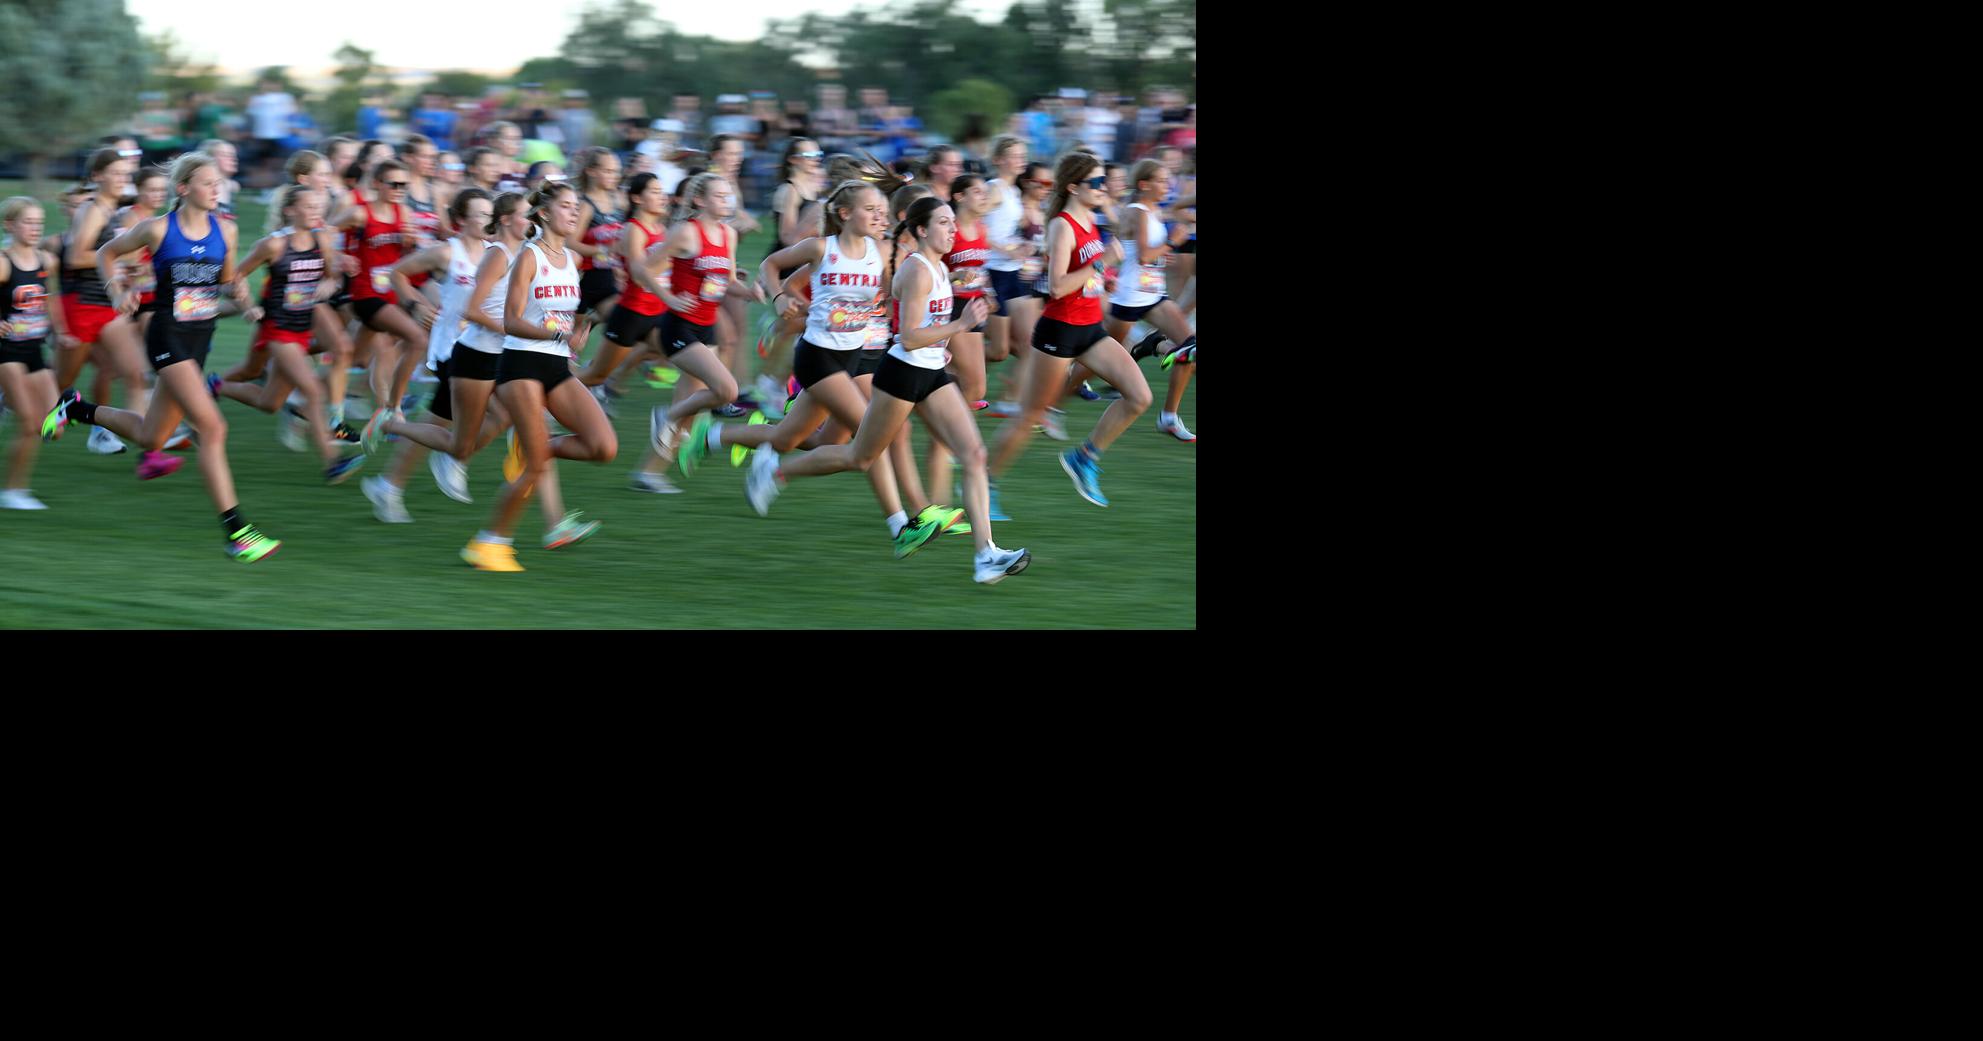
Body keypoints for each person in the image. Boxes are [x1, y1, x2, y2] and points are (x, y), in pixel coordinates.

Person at [742, 196, 1030, 585]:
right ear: (922, 230)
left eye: (952, 223)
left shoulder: (940, 268)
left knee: (975, 454)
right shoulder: (916, 270)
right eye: (944, 223)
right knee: (860, 457)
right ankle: (778, 472)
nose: (953, 230)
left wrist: (965, 321)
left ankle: (986, 555)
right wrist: (960, 327)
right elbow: (909, 337)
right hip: (902, 375)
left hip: (931, 374)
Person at [45, 152, 283, 562]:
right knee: (213, 428)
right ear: (184, 189)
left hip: (199, 340)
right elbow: (105, 254)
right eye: (208, 183)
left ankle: (76, 408)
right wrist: (117, 290)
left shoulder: (226, 230)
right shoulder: (156, 230)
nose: (216, 190)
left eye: (218, 184)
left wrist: (241, 295)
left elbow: (226, 280)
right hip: (167, 336)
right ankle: (237, 533)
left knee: (151, 436)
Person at [459, 182, 617, 572]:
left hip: (556, 364)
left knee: (604, 446)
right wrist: (554, 333)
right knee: (535, 468)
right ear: (544, 213)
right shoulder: (529, 256)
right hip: (521, 367)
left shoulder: (570, 259)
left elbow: (560, 317)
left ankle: (538, 445)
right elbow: (512, 321)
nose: (574, 212)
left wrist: (575, 333)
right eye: (565, 206)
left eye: (576, 206)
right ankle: (489, 544)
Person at [983, 151, 1152, 514]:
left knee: (1139, 397)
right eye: (1095, 182)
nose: (1102, 187)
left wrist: (1100, 281)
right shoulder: (1062, 224)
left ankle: (1084, 457)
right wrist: (1101, 264)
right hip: (1059, 331)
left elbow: (1084, 276)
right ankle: (986, 484)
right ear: (1074, 187)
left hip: (1090, 328)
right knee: (1030, 416)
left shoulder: (1090, 219)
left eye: (1103, 181)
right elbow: (1057, 286)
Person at [0, 197, 74, 510]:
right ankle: (13, 492)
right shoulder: (4, 262)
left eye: (38, 223)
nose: (34, 228)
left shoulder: (47, 261)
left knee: (54, 426)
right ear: (10, 225)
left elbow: (51, 298)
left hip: (34, 349)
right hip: (6, 351)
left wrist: (62, 331)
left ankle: (4, 399)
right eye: (27, 222)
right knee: (30, 424)